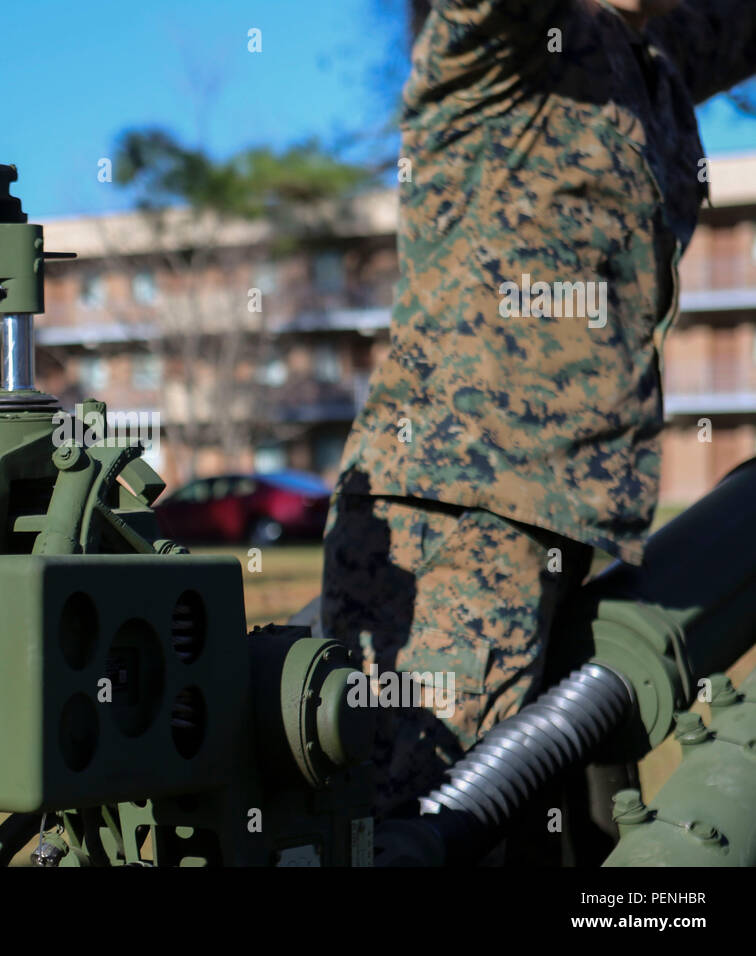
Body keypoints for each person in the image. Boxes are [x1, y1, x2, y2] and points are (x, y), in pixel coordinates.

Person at [309, 0, 756, 820]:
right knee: (421, 822)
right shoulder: (496, 44)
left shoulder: (650, 55)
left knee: (530, 824)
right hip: (452, 518)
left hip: (563, 517)